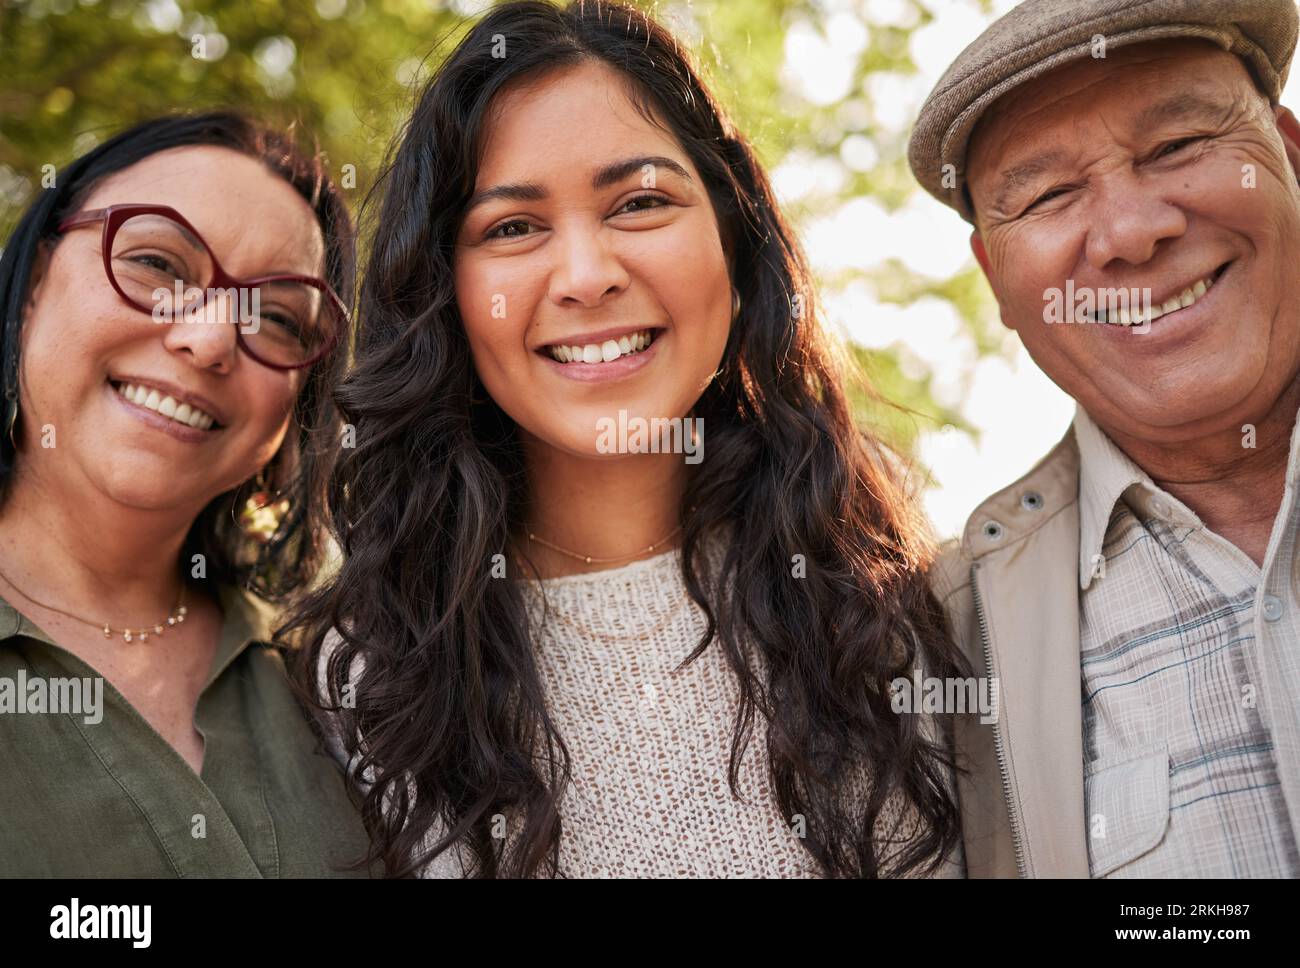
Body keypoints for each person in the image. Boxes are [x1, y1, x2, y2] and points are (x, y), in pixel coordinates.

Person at [287, 0, 967, 878]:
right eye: (513, 227)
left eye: (640, 202)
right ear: (443, 291)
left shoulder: (908, 603)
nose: (586, 276)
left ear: (734, 237)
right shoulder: (361, 683)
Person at [910, 0, 1300, 877]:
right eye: (1048, 196)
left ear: (1290, 152)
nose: (1131, 232)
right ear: (995, 283)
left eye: (1177, 146)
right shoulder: (948, 650)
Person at [0, 112, 375, 876]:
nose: (207, 340)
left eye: (273, 317)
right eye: (158, 266)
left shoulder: (341, 677)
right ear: (37, 282)